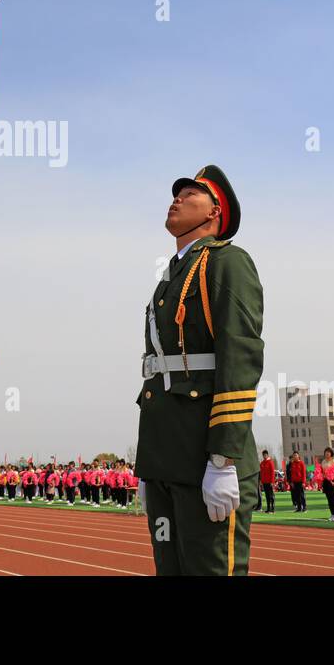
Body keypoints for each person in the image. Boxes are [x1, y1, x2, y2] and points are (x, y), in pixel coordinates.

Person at [135, 165, 264, 576]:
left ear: (214, 213)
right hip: (166, 457)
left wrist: (223, 459)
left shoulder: (228, 262)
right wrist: (149, 464)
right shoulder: (169, 277)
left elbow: (239, 357)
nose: (177, 198)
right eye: (177, 192)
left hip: (204, 455)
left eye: (191, 193)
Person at [319, 447, 334, 522]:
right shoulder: (323, 462)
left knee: (333, 498)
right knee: (329, 499)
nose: (327, 453)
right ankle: (332, 514)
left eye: (328, 452)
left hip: (333, 481)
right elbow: (322, 472)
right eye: (326, 452)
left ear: (331, 453)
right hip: (326, 481)